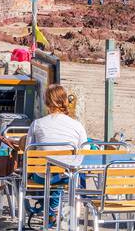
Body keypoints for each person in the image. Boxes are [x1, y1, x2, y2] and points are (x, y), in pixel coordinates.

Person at [24, 84, 88, 222]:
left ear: (46, 102)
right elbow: (85, 151)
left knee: (46, 173)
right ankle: (53, 210)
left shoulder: (37, 124)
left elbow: (28, 150)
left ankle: (50, 210)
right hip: (67, 177)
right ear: (65, 101)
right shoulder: (76, 125)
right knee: (62, 176)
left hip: (42, 176)